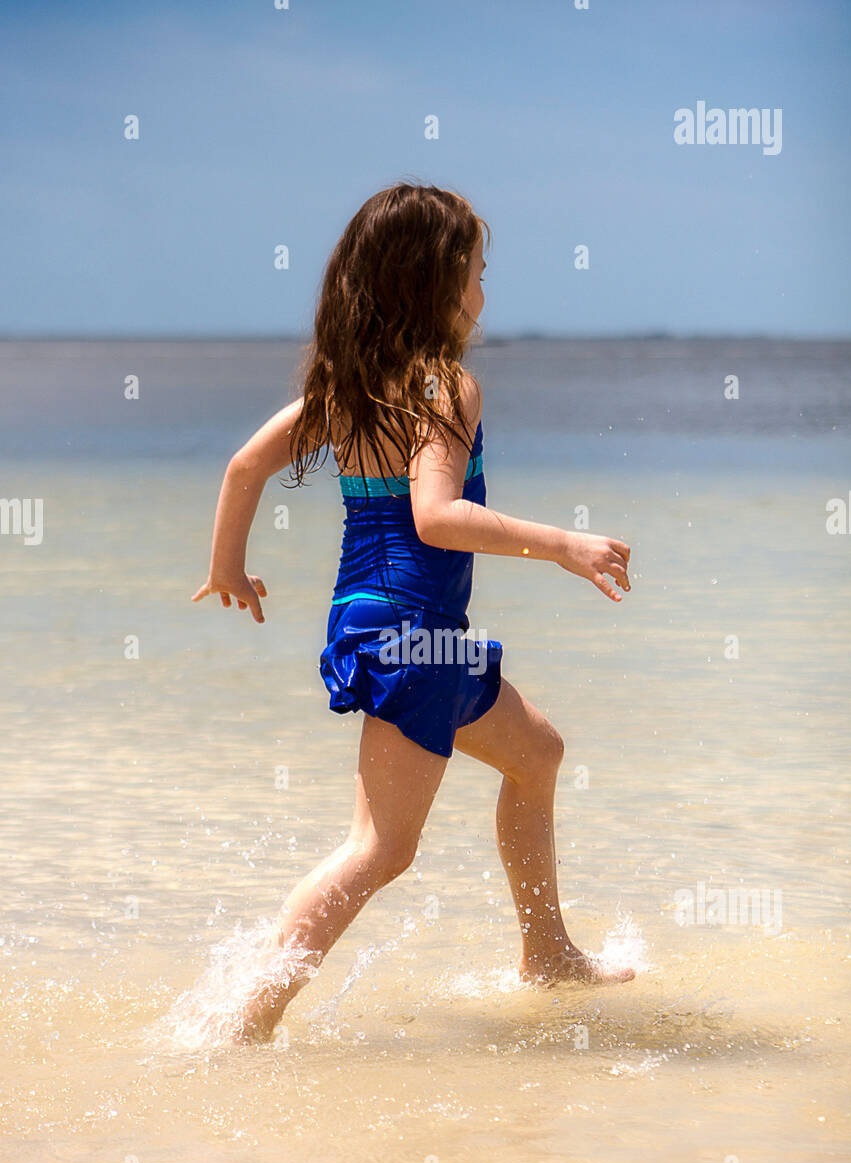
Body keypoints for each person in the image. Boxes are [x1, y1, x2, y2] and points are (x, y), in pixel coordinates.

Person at [191, 182, 634, 1043]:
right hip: (414, 636)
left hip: (400, 630)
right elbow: (436, 516)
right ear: (435, 284)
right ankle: (243, 1022)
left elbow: (244, 467)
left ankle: (547, 952)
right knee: (380, 849)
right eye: (473, 273)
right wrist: (564, 545)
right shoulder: (444, 386)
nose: (482, 293)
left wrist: (228, 569)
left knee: (537, 752)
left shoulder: (349, 388)